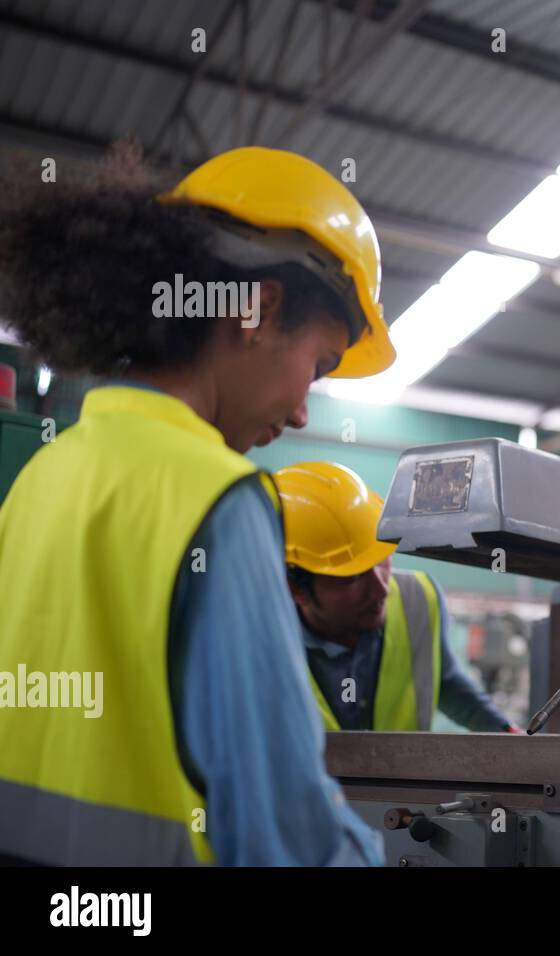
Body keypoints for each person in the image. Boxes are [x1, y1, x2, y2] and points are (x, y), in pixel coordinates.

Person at [0, 145, 396, 865]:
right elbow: (281, 831)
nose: (306, 411)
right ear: (258, 312)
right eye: (317, 364)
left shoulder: (41, 476)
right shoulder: (217, 497)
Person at [276, 461, 519, 733]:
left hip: (399, 775)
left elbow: (445, 682)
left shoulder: (417, 600)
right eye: (353, 578)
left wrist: (510, 735)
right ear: (295, 588)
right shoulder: (258, 637)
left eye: (381, 561)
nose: (381, 589)